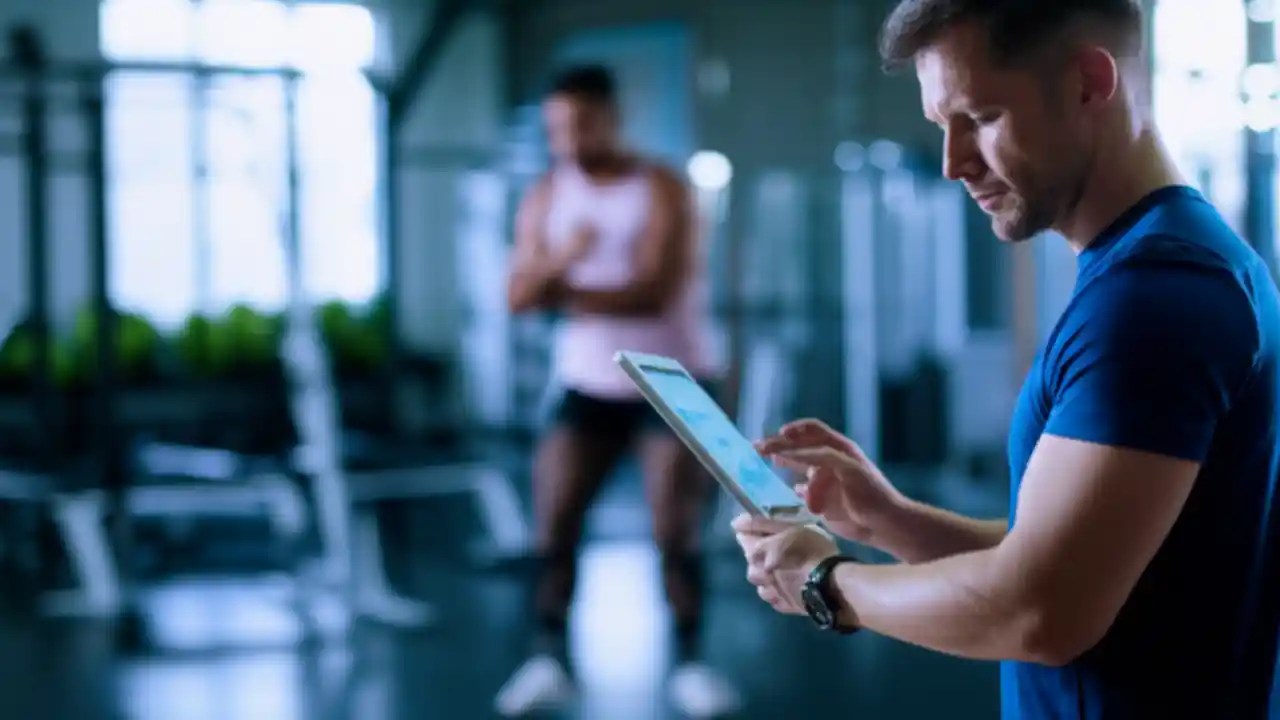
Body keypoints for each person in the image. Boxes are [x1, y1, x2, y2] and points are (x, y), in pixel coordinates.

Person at [733, 1, 1280, 718]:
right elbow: (1067, 554)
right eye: (943, 126)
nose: (953, 164)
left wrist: (825, 583)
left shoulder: (1153, 296)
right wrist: (893, 520)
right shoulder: (1174, 264)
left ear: (1089, 83)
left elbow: (1040, 610)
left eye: (981, 117)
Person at [495, 64, 740, 718]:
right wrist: (561, 259)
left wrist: (557, 287)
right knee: (553, 523)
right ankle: (548, 660)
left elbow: (654, 290)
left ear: (612, 118)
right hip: (587, 381)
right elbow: (515, 295)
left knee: (674, 530)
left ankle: (690, 664)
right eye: (556, 128)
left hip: (673, 378)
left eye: (580, 124)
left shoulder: (661, 186)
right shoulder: (547, 193)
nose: (568, 140)